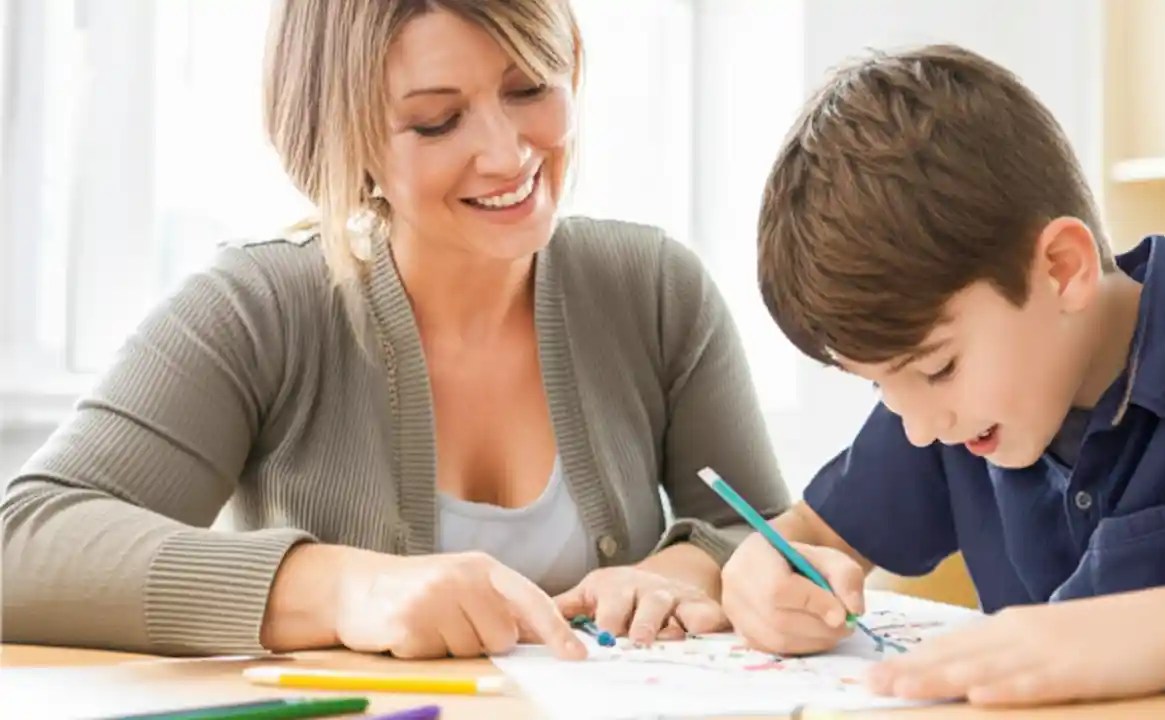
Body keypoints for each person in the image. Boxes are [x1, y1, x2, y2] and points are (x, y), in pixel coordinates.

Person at [1, 0, 789, 660]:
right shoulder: (259, 307)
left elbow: (755, 532)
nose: (507, 153)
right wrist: (340, 588)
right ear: (349, 139)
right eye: (437, 122)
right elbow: (20, 545)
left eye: (529, 88)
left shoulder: (653, 288)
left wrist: (680, 575)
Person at [722, 43, 1165, 706]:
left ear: (1061, 269)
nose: (922, 429)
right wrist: (760, 571)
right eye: (880, 386)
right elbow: (807, 535)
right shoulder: (947, 415)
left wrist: (1158, 630)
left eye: (939, 367)